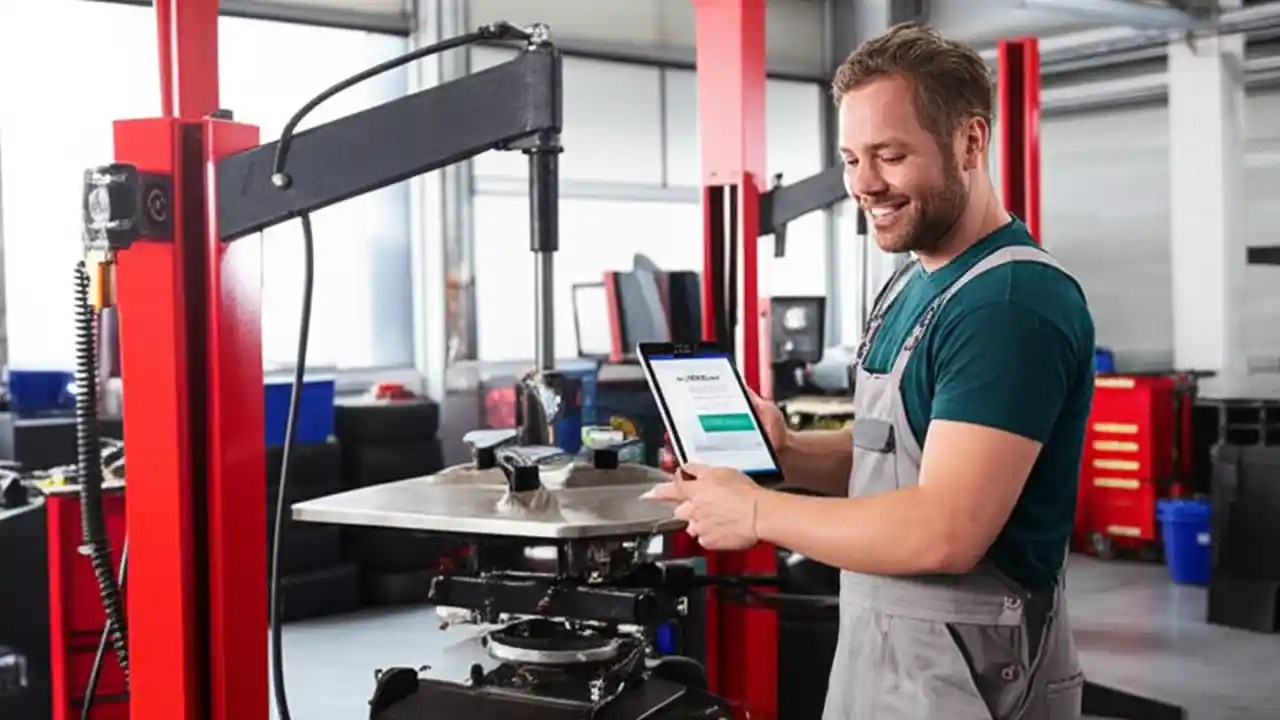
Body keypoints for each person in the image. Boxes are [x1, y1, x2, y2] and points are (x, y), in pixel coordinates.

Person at [649, 21, 1096, 720]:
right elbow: (900, 463)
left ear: (971, 141)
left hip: (971, 677)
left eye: (889, 156)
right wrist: (790, 454)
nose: (865, 184)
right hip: (885, 657)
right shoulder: (911, 284)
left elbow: (944, 528)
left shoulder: (1010, 304)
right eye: (851, 158)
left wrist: (757, 510)